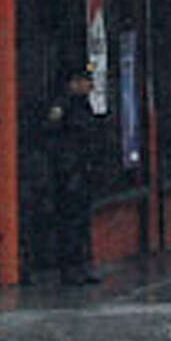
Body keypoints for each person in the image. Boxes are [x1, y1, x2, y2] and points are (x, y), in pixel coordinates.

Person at [42, 67, 101, 285]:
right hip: (68, 173)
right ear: (73, 83)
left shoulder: (83, 105)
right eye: (86, 81)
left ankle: (83, 265)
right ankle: (69, 268)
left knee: (82, 221)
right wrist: (65, 168)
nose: (90, 86)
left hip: (83, 170)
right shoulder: (63, 105)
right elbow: (53, 136)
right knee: (69, 222)